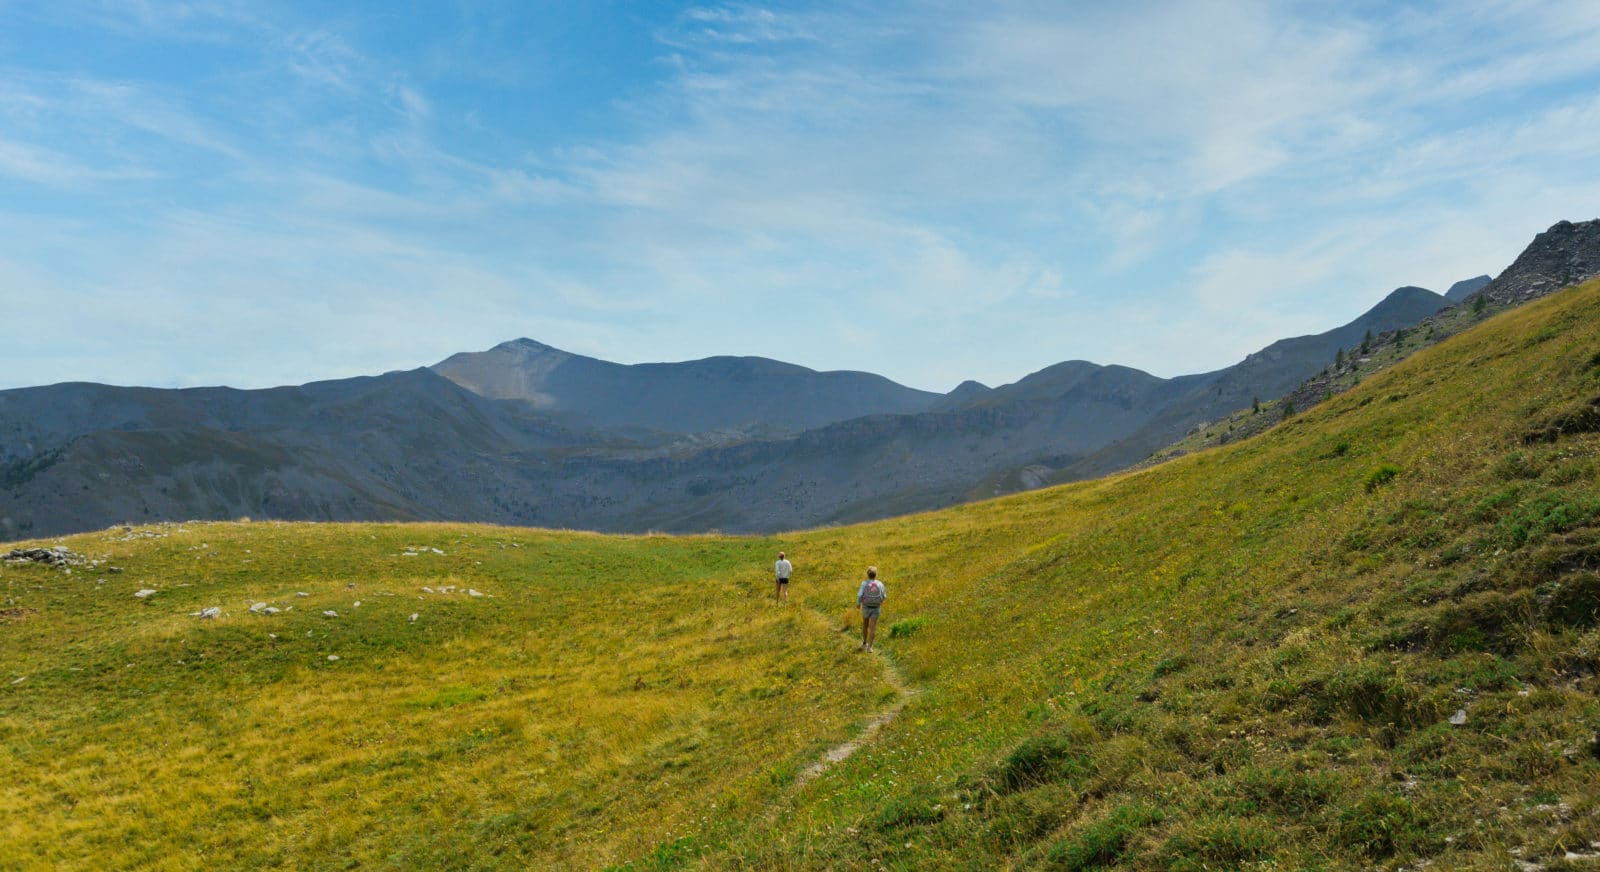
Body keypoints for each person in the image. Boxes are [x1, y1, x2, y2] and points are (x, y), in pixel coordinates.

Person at [857, 566, 886, 651]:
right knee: (873, 627)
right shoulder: (880, 584)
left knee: (865, 625)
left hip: (866, 607)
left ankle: (864, 643)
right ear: (875, 575)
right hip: (876, 607)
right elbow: (884, 596)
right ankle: (870, 647)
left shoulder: (864, 583)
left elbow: (859, 595)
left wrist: (858, 604)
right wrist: (879, 602)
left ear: (868, 574)